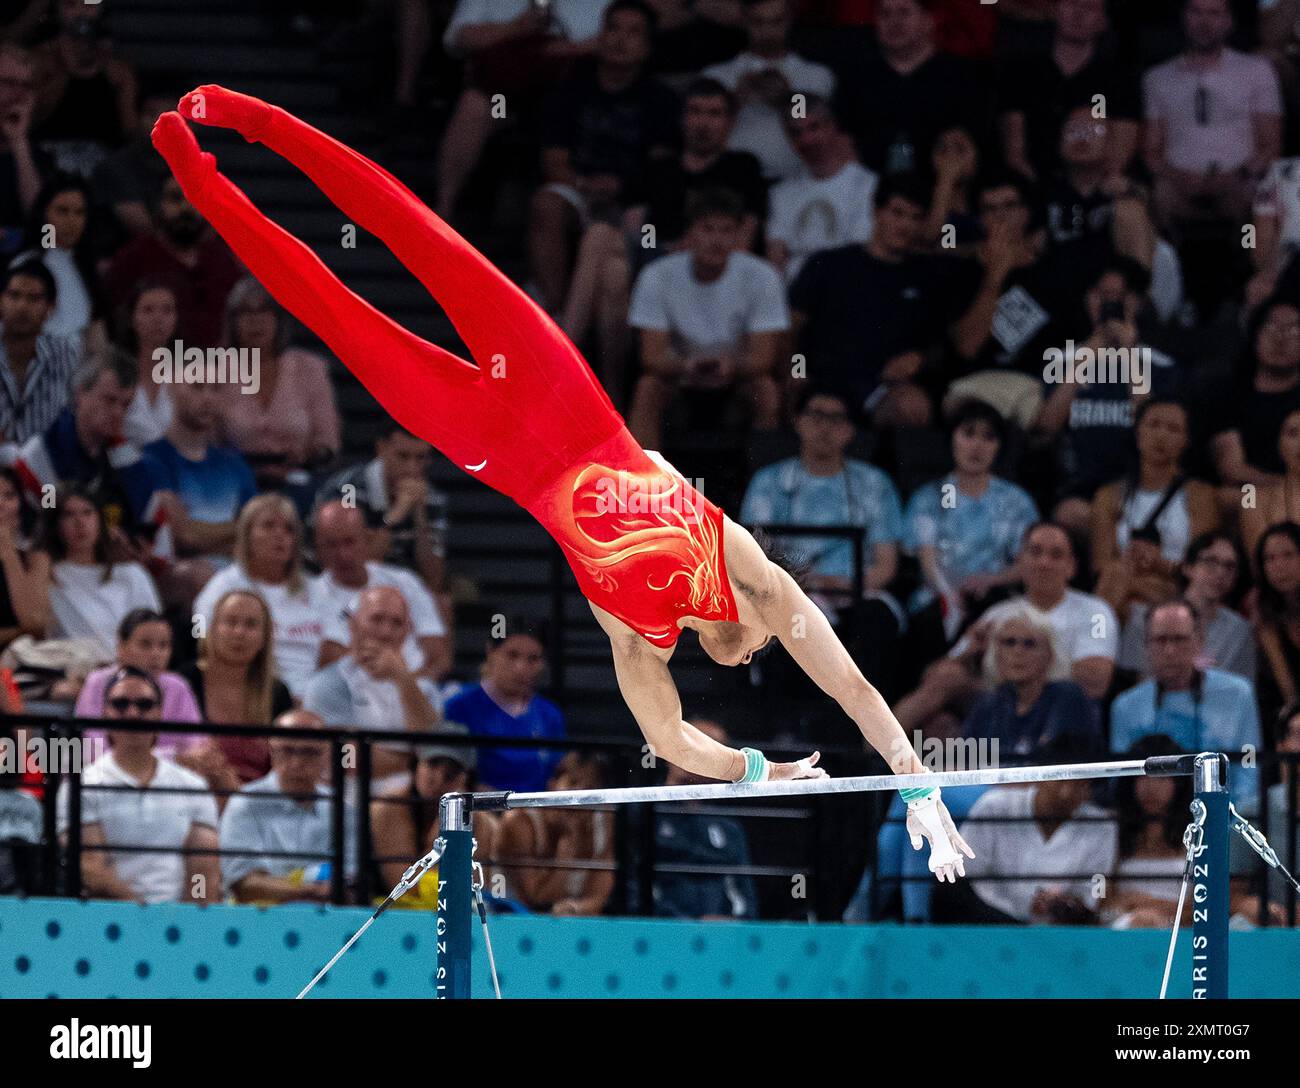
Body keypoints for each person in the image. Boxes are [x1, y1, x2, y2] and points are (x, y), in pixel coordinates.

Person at [152, 84, 973, 878]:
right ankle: (255, 120)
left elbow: (679, 742)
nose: (763, 644)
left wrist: (759, 771)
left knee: (333, 308)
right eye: (769, 638)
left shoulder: (637, 641)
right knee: (418, 235)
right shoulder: (741, 560)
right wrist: (917, 777)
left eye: (763, 644)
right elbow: (855, 686)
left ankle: (196, 176)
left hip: (492, 451)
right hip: (560, 391)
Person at [740, 385, 904, 692]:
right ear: (798, 421)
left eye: (836, 419)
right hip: (791, 591)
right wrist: (802, 586)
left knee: (877, 621)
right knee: (779, 616)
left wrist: (842, 586)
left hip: (857, 591)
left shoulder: (875, 484)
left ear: (851, 431)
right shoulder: (768, 482)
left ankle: (858, 730)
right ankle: (784, 728)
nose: (825, 427)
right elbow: (752, 556)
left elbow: (886, 564)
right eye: (816, 416)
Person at [627, 186, 786, 447]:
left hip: (737, 379)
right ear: (690, 233)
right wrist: (686, 365)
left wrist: (732, 367)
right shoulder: (657, 275)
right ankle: (640, 483)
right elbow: (651, 356)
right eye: (708, 229)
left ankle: (764, 483)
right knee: (647, 387)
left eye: (726, 230)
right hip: (679, 378)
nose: (717, 240)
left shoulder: (762, 276)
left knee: (766, 390)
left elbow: (763, 356)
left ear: (737, 234)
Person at [56, 665, 220, 903]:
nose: (133, 714)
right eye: (121, 705)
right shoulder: (82, 785)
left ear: (160, 713)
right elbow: (92, 870)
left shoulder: (192, 785)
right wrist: (144, 915)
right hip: (108, 920)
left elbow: (202, 871)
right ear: (105, 713)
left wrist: (191, 918)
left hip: (178, 923)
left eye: (144, 705)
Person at [939, 734, 1117, 924]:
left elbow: (1097, 889)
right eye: (1061, 781)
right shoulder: (995, 806)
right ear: (1040, 776)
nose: (1067, 794)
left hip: (1057, 930)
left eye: (1081, 786)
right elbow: (961, 874)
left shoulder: (1101, 826)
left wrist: (1066, 903)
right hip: (987, 921)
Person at [902, 399, 1038, 642]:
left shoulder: (1016, 500)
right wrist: (950, 594)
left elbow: (1028, 563)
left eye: (988, 437)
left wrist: (992, 580)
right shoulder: (929, 497)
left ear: (999, 447)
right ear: (952, 438)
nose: (977, 446)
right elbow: (927, 558)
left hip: (996, 598)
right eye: (968, 433)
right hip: (938, 598)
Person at [1110, 599, 1261, 809]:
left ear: (1199, 641)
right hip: (1154, 824)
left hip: (1224, 817)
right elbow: (1121, 780)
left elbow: (1249, 761)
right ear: (1146, 645)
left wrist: (1231, 817)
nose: (1170, 650)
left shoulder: (1238, 694)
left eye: (1180, 639)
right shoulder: (1125, 706)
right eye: (1161, 640)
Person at [303, 585, 445, 790]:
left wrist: (403, 679)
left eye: (396, 623)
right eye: (377, 619)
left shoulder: (424, 689)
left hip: (412, 805)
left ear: (407, 632)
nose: (386, 632)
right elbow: (346, 760)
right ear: (353, 625)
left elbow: (437, 750)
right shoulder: (327, 684)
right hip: (348, 802)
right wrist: (416, 761)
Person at [1091, 398, 1219, 623]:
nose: (1161, 436)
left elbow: (1204, 568)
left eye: (1173, 429)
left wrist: (1159, 563)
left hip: (1176, 592)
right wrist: (1132, 580)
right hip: (1122, 595)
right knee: (1114, 575)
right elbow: (1101, 565)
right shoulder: (1108, 496)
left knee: (1118, 580)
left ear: (1185, 441)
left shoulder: (1199, 495)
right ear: (1137, 432)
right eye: (1153, 425)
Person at [192, 492, 330, 697]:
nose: (280, 535)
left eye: (288, 529)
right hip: (252, 692)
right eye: (268, 526)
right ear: (247, 536)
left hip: (315, 698)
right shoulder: (223, 587)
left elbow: (337, 650)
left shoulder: (318, 590)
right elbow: (200, 633)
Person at [217, 276, 340, 495]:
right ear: (232, 321)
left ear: (279, 318)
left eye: (265, 311)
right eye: (246, 312)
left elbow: (328, 443)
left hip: (297, 477)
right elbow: (207, 441)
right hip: (233, 478)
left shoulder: (310, 368)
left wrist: (307, 455)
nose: (256, 321)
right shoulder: (216, 369)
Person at [220, 708, 356, 904]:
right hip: (259, 920)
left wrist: (283, 887)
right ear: (272, 749)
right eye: (287, 750)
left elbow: (351, 879)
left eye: (309, 752)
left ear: (326, 754)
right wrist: (310, 890)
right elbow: (242, 884)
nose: (297, 761)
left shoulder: (344, 810)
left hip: (328, 920)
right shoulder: (245, 803)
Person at [314, 500, 451, 679]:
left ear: (366, 539)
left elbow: (439, 658)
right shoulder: (311, 595)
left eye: (349, 542)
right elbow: (334, 665)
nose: (342, 554)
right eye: (331, 545)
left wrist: (408, 691)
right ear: (318, 548)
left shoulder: (406, 581)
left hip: (414, 687)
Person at [701, 0, 835, 182]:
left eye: (776, 22)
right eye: (758, 22)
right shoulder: (717, 77)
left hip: (795, 181)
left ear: (789, 20)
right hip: (732, 181)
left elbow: (812, 131)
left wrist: (787, 98)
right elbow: (702, 135)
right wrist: (735, 101)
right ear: (744, 21)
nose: (767, 32)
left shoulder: (815, 76)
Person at [103, 174, 243, 348]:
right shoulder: (133, 259)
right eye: (175, 198)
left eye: (195, 198)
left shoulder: (221, 259)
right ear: (159, 205)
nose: (186, 207)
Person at [638, 718, 758, 919]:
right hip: (663, 931)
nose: (694, 755)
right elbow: (635, 886)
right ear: (669, 749)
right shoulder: (643, 815)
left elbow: (746, 897)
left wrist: (736, 923)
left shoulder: (729, 828)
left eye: (710, 748)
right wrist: (684, 923)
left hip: (723, 936)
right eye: (690, 745)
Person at [314, 425, 449, 593]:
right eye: (403, 456)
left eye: (420, 458)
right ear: (381, 448)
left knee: (442, 602)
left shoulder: (432, 498)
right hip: (336, 586)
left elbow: (433, 581)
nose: (411, 468)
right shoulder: (348, 489)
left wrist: (419, 515)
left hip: (401, 588)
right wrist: (396, 515)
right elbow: (350, 565)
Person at [179, 588, 293, 786]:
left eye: (251, 625)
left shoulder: (278, 692)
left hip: (259, 803)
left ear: (264, 638)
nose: (239, 632)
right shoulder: (184, 682)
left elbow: (287, 764)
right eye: (230, 622)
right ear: (213, 629)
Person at [763, 94, 876, 284]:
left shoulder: (867, 186)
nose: (806, 140)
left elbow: (859, 253)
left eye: (813, 128)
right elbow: (776, 257)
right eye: (796, 133)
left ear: (832, 126)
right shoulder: (780, 193)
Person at [443, 618, 564, 793]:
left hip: (537, 812)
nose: (521, 667)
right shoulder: (459, 707)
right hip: (480, 811)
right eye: (512, 655)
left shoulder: (550, 714)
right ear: (490, 651)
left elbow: (557, 773)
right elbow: (450, 776)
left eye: (533, 659)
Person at [1117, 531, 1255, 682]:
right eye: (1210, 562)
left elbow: (1240, 691)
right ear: (1188, 568)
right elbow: (1136, 682)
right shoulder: (1144, 618)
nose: (1220, 573)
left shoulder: (1239, 631)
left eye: (1229, 566)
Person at [45, 487, 161, 664]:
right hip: (78, 670)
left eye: (88, 513)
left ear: (100, 519)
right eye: (69, 515)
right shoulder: (49, 576)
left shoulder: (132, 573)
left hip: (137, 668)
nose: (80, 523)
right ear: (56, 525)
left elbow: (154, 630)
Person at [370, 725, 484, 903]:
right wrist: (443, 835)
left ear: (466, 778)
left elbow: (477, 892)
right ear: (417, 764)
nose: (438, 779)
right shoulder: (388, 807)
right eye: (433, 764)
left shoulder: (481, 821)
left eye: (450, 773)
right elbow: (404, 887)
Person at [493, 752, 616, 915]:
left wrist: (574, 908)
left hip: (573, 926)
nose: (580, 797)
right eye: (573, 783)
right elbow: (539, 902)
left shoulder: (602, 823)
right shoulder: (519, 823)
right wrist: (568, 845)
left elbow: (599, 897)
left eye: (589, 789)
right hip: (512, 923)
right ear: (552, 785)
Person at [74, 607, 202, 758]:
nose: (156, 654)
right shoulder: (97, 682)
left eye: (163, 645)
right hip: (105, 775)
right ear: (121, 647)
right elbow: (92, 745)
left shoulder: (178, 686)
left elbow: (196, 745)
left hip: (167, 778)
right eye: (145, 645)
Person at [18, 173, 106, 349]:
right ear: (44, 214)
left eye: (79, 212)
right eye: (62, 211)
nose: (71, 221)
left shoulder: (85, 268)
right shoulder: (27, 265)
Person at [0, 256, 80, 443]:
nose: (22, 307)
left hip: (45, 467)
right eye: (14, 296)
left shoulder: (66, 354)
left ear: (50, 307)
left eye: (33, 299)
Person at [117, 279, 180, 447]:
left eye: (167, 310)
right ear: (132, 318)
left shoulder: (189, 374)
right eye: (148, 310)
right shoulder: (114, 372)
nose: (158, 318)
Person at [0, 463, 47, 651]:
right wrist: (20, 632)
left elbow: (35, 622)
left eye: (9, 496)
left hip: (24, 663)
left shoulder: (34, 556)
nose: (1, 504)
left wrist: (7, 551)